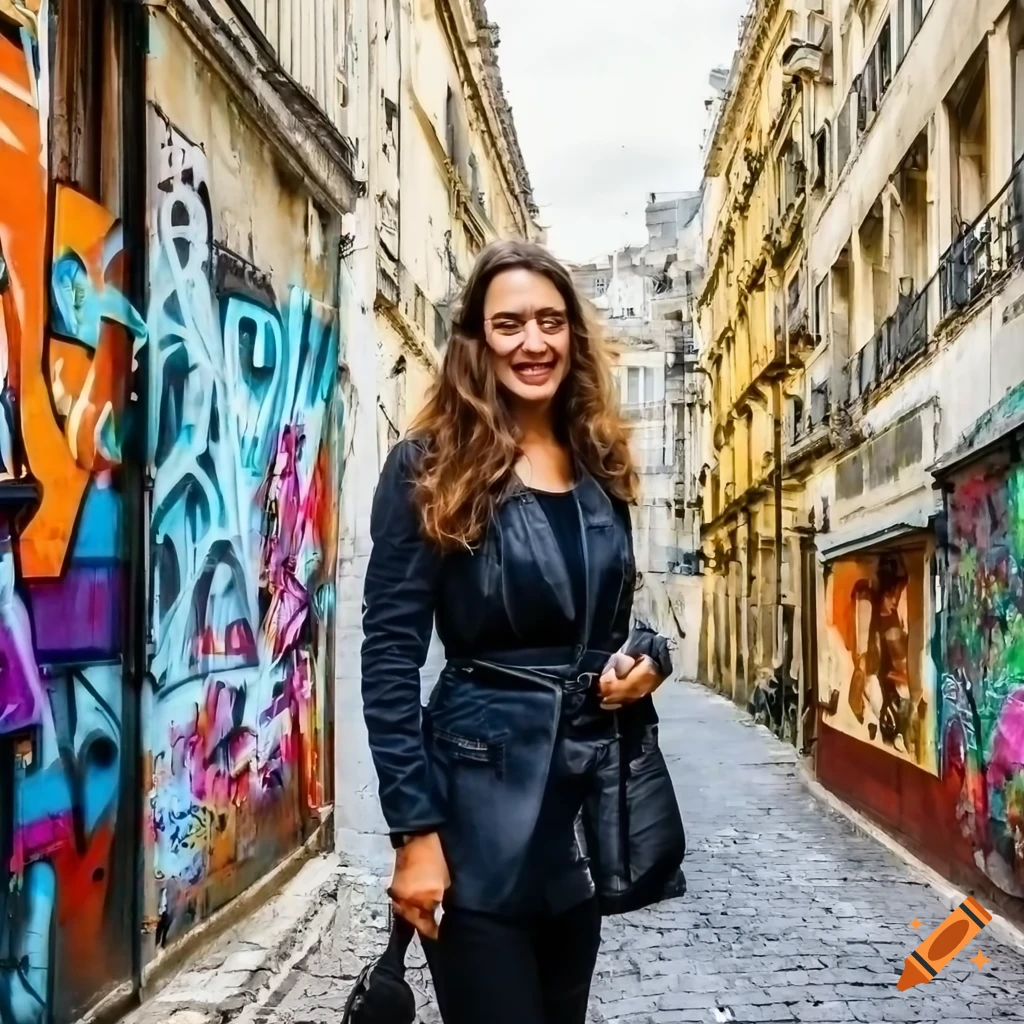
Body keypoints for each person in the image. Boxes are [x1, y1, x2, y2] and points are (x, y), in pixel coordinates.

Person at [360, 239, 680, 1024]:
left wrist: (650, 658)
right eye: (508, 324)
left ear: (573, 335)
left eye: (549, 321)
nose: (532, 343)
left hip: (579, 818)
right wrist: (414, 835)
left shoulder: (598, 466)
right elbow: (390, 660)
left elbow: (614, 621)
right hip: (475, 816)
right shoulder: (425, 466)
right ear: (476, 340)